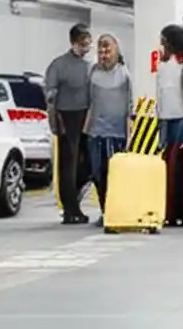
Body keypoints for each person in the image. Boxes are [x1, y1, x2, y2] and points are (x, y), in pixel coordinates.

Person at [44, 23, 94, 225]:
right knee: (68, 165)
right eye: (83, 44)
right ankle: (70, 209)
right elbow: (50, 95)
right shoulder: (58, 65)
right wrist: (54, 120)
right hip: (66, 117)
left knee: (87, 164)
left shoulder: (90, 66)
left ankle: (75, 201)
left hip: (87, 117)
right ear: (73, 43)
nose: (86, 48)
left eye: (88, 44)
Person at [84, 33, 132, 227]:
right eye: (101, 50)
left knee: (115, 175)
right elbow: (88, 102)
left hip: (117, 133)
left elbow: (130, 106)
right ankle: (105, 210)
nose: (104, 54)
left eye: (108, 50)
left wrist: (130, 134)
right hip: (96, 132)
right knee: (98, 173)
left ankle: (116, 211)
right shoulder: (92, 73)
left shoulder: (124, 75)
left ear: (116, 51)